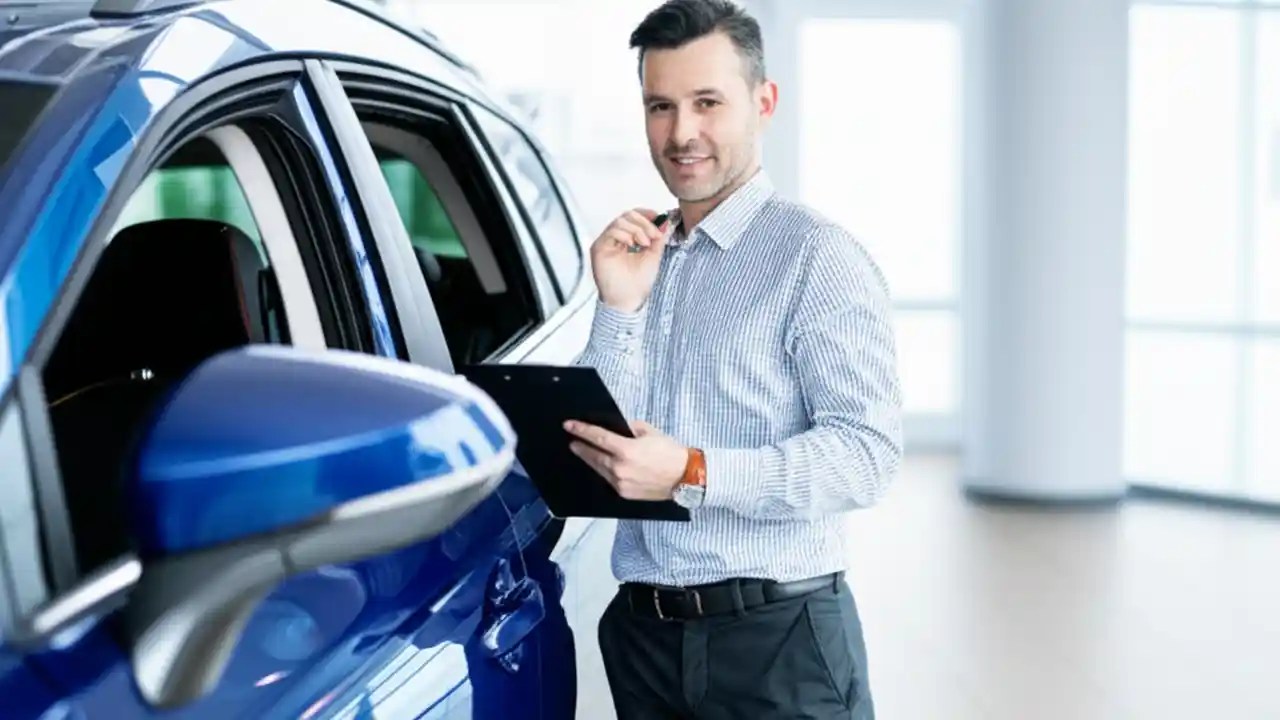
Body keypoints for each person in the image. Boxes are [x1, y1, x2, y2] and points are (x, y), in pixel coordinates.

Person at [563, 0, 903, 717]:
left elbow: (868, 454)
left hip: (777, 645)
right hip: (644, 641)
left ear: (763, 102)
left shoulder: (815, 257)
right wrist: (618, 307)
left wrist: (693, 470)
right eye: (661, 106)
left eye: (707, 103)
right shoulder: (643, 256)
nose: (681, 133)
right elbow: (608, 448)